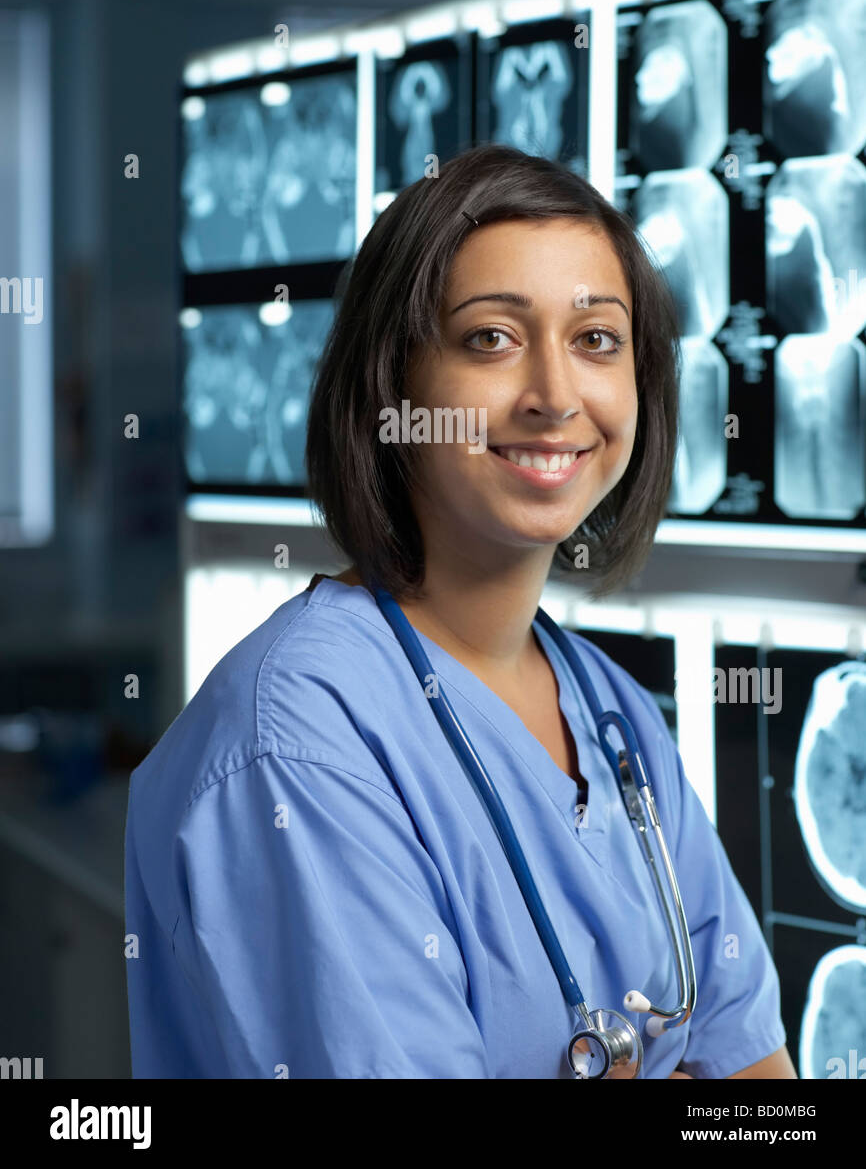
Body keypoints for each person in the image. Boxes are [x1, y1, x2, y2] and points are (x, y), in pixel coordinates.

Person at [124, 143, 796, 1079]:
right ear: (391, 385)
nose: (555, 398)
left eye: (596, 339)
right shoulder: (297, 741)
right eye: (491, 338)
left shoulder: (612, 714)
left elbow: (767, 1093)